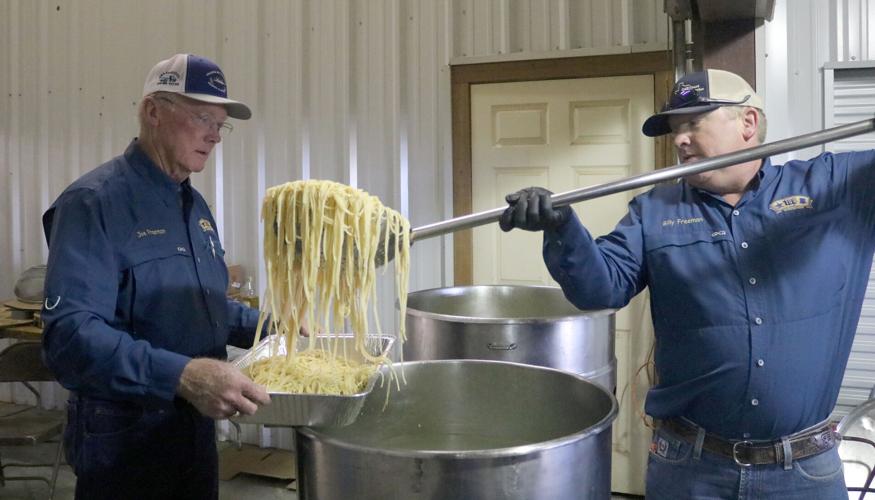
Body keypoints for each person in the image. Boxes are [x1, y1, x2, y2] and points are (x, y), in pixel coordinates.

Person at [500, 69, 868, 499]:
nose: (679, 140)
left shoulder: (835, 188)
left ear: (748, 123)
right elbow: (601, 290)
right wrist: (562, 229)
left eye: (694, 123)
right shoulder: (653, 211)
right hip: (692, 470)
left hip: (804, 473)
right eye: (675, 129)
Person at [41, 53, 270, 499]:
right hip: (123, 433)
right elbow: (69, 336)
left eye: (220, 124)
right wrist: (183, 375)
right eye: (203, 117)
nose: (214, 136)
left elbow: (196, 305)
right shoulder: (95, 202)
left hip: (194, 425)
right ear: (153, 111)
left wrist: (271, 327)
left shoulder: (194, 207)